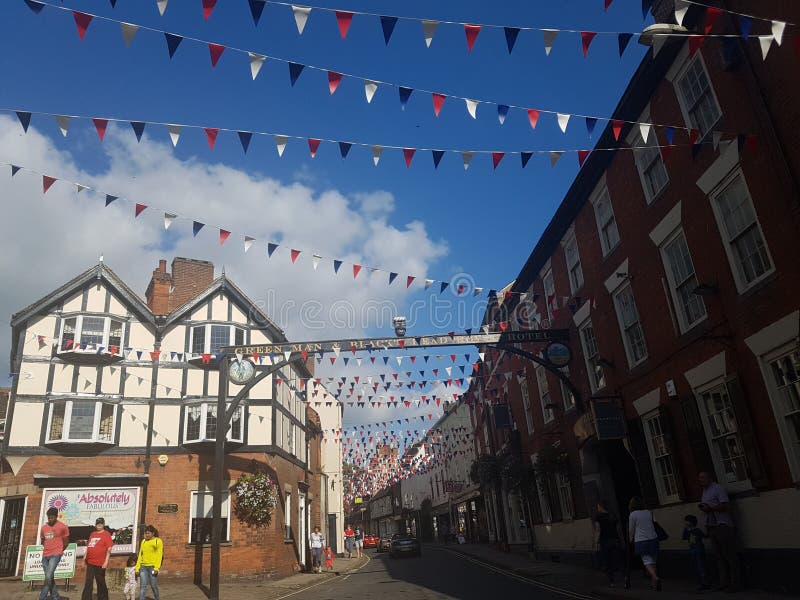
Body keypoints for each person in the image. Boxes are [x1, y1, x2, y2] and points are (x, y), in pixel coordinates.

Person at [699, 471, 741, 592]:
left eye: (703, 478)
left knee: (729, 555)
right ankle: (724, 582)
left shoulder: (717, 489)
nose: (701, 481)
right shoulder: (705, 491)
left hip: (722, 525)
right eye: (700, 479)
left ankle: (735, 583)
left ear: (709, 478)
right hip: (711, 525)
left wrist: (710, 508)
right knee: (719, 556)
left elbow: (726, 505)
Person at [628, 497, 661, 591]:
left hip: (641, 540)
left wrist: (631, 539)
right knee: (653, 561)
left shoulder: (633, 515)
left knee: (646, 561)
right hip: (653, 538)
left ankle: (655, 577)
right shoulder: (649, 512)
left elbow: (631, 529)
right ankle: (654, 584)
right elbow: (655, 523)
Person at [39, 506, 70, 600]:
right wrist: (47, 549)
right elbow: (42, 541)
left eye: (52, 517)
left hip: (56, 554)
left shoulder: (62, 527)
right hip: (45, 555)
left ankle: (42, 597)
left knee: (48, 576)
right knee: (49, 577)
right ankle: (56, 597)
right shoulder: (44, 528)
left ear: (56, 516)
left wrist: (59, 551)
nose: (50, 519)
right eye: (49, 517)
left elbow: (66, 542)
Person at [82, 517, 113, 600]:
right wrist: (84, 557)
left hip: (100, 562)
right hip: (90, 562)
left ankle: (103, 598)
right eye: (97, 523)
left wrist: (106, 561)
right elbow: (89, 546)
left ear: (103, 524)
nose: (99, 525)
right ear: (95, 525)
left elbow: (109, 549)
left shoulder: (106, 534)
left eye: (101, 523)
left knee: (100, 582)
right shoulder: (93, 534)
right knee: (88, 582)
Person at [593, 501, 622, 586]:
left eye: (598, 506)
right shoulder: (612, 515)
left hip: (605, 541)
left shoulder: (598, 517)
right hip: (615, 539)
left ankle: (612, 581)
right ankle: (624, 577)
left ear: (601, 507)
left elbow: (598, 530)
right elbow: (617, 527)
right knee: (617, 559)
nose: (597, 508)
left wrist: (595, 542)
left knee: (608, 562)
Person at [135, 525, 163, 600]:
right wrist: (137, 568)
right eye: (145, 533)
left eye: (148, 533)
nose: (146, 535)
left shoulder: (158, 541)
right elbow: (140, 555)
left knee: (153, 586)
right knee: (142, 587)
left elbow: (159, 555)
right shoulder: (143, 541)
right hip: (143, 567)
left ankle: (157, 598)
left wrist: (157, 568)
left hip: (152, 567)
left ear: (153, 533)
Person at [683, 515, 709, 590]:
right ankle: (700, 582)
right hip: (692, 551)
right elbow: (684, 537)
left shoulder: (697, 530)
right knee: (696, 567)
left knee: (701, 567)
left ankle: (705, 583)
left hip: (699, 550)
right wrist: (686, 529)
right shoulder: (687, 531)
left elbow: (704, 536)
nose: (685, 522)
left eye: (686, 521)